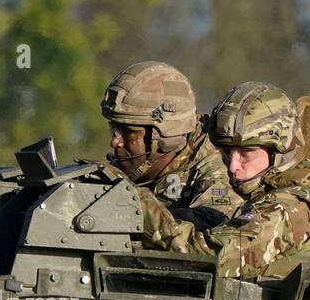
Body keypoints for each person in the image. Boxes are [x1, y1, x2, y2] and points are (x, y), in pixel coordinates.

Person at [100, 61, 244, 250]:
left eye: (128, 131)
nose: (115, 142)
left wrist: (132, 202)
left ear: (164, 134)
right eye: (114, 130)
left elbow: (203, 247)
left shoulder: (217, 172)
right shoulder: (129, 168)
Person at [202, 81, 310, 279]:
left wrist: (148, 211)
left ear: (278, 150)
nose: (232, 165)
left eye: (246, 152)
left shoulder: (287, 208)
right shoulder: (267, 197)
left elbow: (211, 257)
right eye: (227, 152)